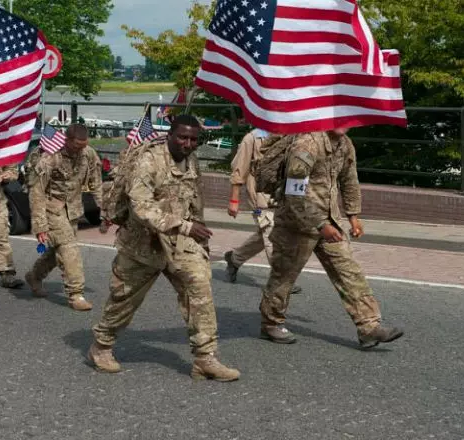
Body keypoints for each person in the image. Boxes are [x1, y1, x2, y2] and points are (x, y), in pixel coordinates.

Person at [89, 115, 240, 381]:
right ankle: (101, 345)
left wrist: (199, 238)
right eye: (182, 137)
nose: (188, 143)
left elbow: (194, 200)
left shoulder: (191, 160)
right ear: (170, 135)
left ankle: (205, 358)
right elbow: (142, 206)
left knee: (199, 286)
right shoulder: (148, 161)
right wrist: (184, 226)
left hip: (179, 243)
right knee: (123, 299)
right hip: (142, 242)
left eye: (193, 139)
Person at [259, 128, 404, 348]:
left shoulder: (344, 144)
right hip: (295, 224)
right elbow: (294, 192)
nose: (344, 123)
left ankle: (369, 327)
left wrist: (354, 215)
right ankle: (271, 322)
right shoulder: (307, 144)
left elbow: (349, 180)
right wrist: (320, 224)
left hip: (330, 224)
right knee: (284, 277)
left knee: (349, 272)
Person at [25, 123, 102, 311]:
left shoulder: (88, 154)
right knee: (69, 248)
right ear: (66, 140)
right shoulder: (50, 156)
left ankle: (35, 275)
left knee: (55, 252)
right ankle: (76, 294)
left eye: (83, 145)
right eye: (76, 145)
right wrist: (40, 225)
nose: (80, 150)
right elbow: (36, 191)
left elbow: (96, 182)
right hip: (52, 209)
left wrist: (105, 210)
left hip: (73, 210)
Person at [224, 128, 301, 295]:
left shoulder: (289, 135)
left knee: (264, 233)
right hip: (259, 195)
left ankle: (235, 258)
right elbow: (239, 170)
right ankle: (281, 279)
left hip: (280, 194)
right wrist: (234, 200)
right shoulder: (252, 138)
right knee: (270, 231)